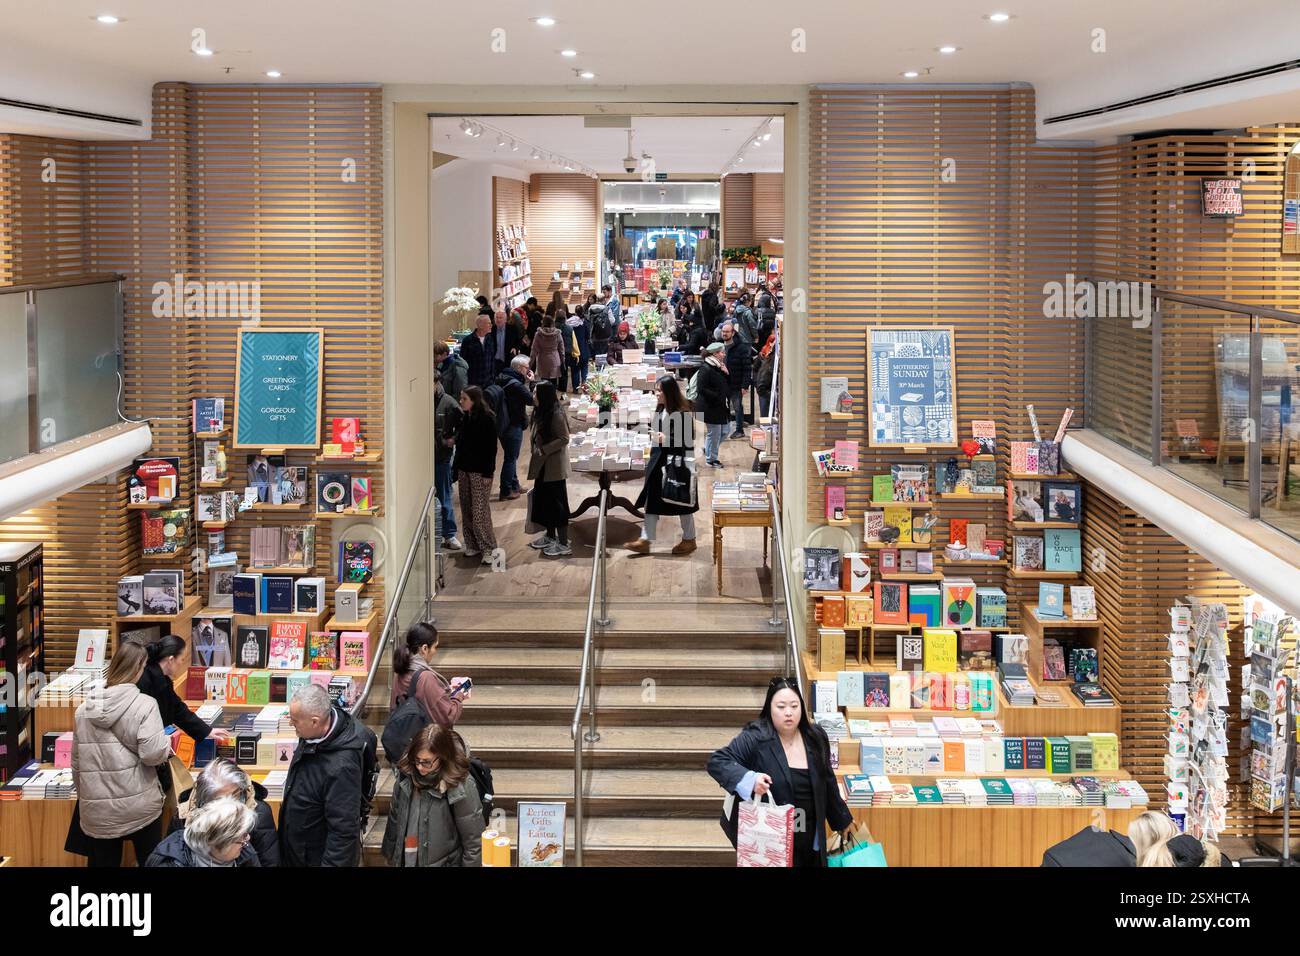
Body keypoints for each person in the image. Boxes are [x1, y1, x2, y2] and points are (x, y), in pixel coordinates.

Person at [707, 677, 853, 868]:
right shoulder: (756, 737)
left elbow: (827, 781)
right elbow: (717, 761)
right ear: (770, 708)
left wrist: (842, 819)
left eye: (794, 706)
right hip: (770, 836)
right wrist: (750, 780)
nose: (788, 713)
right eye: (781, 706)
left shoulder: (815, 736)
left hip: (809, 835)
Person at [72, 641, 171, 867]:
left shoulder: (83, 710)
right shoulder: (145, 705)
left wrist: (89, 797)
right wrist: (167, 744)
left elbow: (77, 764)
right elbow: (152, 754)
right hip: (139, 804)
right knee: (151, 861)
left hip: (96, 810)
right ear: (137, 668)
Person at [278, 683, 378, 868]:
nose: (291, 723)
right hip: (300, 848)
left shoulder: (342, 767)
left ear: (315, 721)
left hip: (315, 856)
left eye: (295, 720)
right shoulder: (314, 732)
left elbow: (343, 831)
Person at [380, 724, 484, 867]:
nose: (420, 767)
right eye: (417, 760)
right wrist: (389, 858)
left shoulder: (460, 784)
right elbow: (394, 821)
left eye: (427, 762)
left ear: (442, 757)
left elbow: (473, 841)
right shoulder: (406, 775)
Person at [626, 376, 698, 555]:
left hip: (676, 465)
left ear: (669, 392)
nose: (656, 394)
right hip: (657, 463)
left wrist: (665, 439)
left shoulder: (683, 413)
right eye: (656, 390)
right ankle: (645, 539)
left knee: (681, 501)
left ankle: (690, 539)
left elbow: (687, 442)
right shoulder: (660, 409)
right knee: (652, 502)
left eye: (659, 391)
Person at [169, 758, 278, 866]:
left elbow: (269, 861)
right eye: (222, 801)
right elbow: (173, 854)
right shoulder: (185, 815)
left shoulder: (259, 813)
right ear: (206, 803)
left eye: (235, 796)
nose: (231, 805)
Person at [391, 621, 468, 730]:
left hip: (403, 739)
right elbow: (447, 716)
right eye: (435, 647)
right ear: (424, 649)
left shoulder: (400, 671)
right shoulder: (426, 678)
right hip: (423, 742)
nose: (435, 651)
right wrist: (458, 696)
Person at [526, 381, 572, 558]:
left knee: (557, 504)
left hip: (553, 466)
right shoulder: (541, 412)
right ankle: (551, 536)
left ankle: (563, 542)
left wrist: (544, 449)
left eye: (536, 393)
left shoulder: (556, 414)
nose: (533, 395)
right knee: (545, 502)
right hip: (542, 465)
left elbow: (564, 438)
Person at [454, 385, 500, 563]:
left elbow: (491, 449)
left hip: (480, 472)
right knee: (466, 508)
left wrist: (488, 473)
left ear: (474, 400)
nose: (461, 401)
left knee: (480, 512)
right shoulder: (466, 417)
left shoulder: (487, 419)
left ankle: (489, 548)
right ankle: (472, 544)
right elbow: (462, 444)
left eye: (464, 398)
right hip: (465, 469)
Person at [146, 797, 260, 868]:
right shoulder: (170, 863)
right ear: (220, 841)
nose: (247, 839)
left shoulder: (243, 850)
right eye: (243, 836)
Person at [493, 354, 535, 501]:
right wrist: (532, 382)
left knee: (511, 456)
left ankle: (514, 485)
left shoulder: (502, 377)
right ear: (519, 368)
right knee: (511, 458)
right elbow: (532, 400)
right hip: (512, 424)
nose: (528, 369)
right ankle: (505, 490)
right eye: (526, 367)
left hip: (502, 423)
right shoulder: (515, 385)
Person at [434, 370, 462, 551]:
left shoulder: (449, 403)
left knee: (444, 495)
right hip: (420, 458)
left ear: (437, 382)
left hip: (441, 457)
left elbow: (463, 424)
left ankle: (449, 533)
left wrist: (451, 440)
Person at [696, 342, 731, 467]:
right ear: (715, 353)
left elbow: (724, 384)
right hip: (710, 407)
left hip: (720, 406)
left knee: (726, 430)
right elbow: (701, 388)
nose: (724, 354)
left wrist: (726, 374)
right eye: (722, 352)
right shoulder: (706, 368)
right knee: (714, 433)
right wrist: (717, 396)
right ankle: (711, 459)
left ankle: (708, 448)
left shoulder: (719, 366)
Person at [721, 320, 752, 440]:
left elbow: (747, 368)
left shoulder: (741, 347)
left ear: (733, 333)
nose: (724, 334)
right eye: (723, 332)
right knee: (727, 406)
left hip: (736, 383)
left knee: (737, 407)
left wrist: (745, 385)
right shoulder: (721, 346)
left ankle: (740, 430)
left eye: (727, 332)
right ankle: (728, 428)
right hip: (724, 383)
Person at [459, 314, 494, 388]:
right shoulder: (468, 341)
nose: (491, 325)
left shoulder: (490, 339)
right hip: (473, 382)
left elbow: (492, 359)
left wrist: (492, 378)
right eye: (488, 323)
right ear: (480, 325)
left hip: (488, 382)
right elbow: (462, 362)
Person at [530, 313, 565, 388]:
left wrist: (530, 364)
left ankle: (545, 398)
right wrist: (563, 362)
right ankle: (552, 397)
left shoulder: (538, 334)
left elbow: (534, 350)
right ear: (553, 323)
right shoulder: (557, 334)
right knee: (554, 383)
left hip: (542, 360)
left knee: (544, 382)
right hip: (555, 360)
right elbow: (561, 350)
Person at [488, 307, 523, 376]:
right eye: (496, 318)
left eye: (500, 318)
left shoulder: (512, 329)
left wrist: (515, 348)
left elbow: (518, 341)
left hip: (507, 360)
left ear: (505, 320)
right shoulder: (491, 330)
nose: (498, 320)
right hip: (494, 361)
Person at [435, 340, 468, 406]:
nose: (433, 358)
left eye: (436, 356)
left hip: (450, 404)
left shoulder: (458, 367)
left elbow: (459, 390)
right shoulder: (440, 364)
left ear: (444, 354)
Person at [565, 310, 590, 391]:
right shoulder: (583, 323)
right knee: (584, 367)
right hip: (583, 348)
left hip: (573, 350)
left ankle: (575, 388)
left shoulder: (568, 325)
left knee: (575, 369)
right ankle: (584, 385)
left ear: (575, 313)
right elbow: (587, 335)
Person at [755, 332, 777, 419]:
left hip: (767, 388)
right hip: (764, 389)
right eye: (772, 341)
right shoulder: (763, 354)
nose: (772, 344)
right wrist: (757, 381)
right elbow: (755, 369)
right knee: (765, 412)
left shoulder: (772, 356)